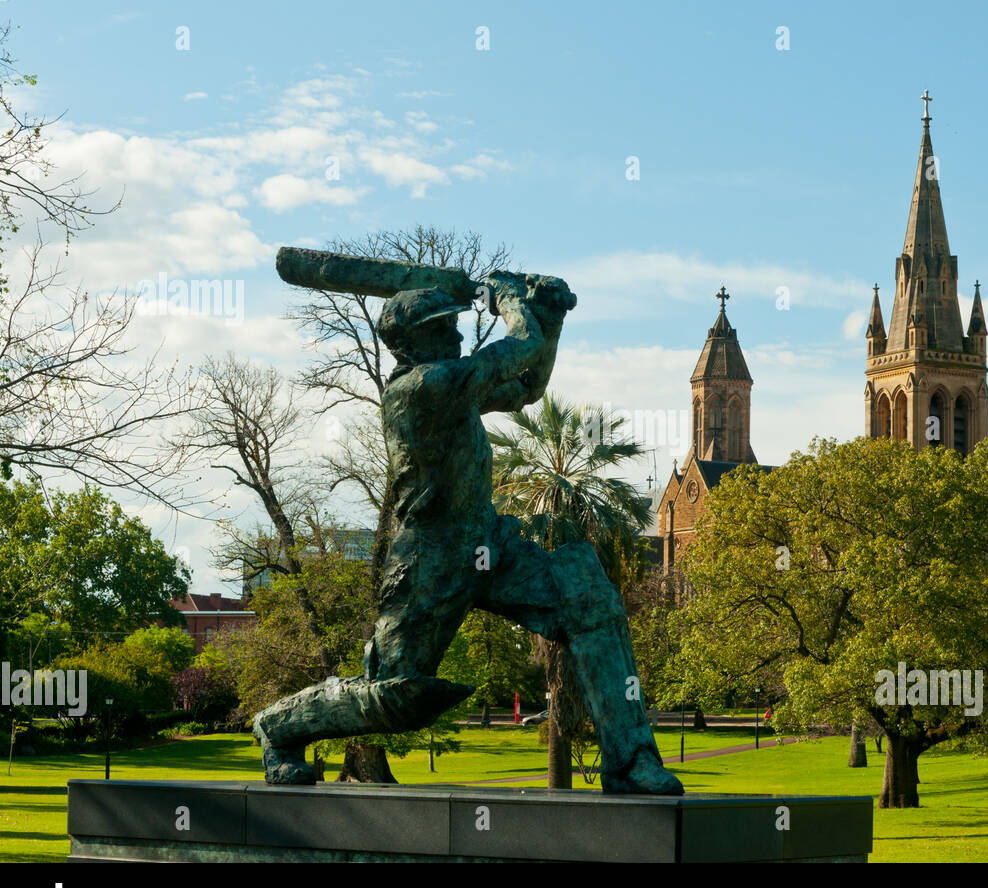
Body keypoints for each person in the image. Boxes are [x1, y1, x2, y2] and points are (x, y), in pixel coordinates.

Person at [253, 268, 682, 796]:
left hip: (488, 541)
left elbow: (528, 384)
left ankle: (631, 761)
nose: (456, 337)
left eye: (454, 326)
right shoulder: (421, 389)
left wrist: (551, 316)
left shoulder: (455, 385)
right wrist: (510, 302)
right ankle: (278, 727)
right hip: (431, 558)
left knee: (587, 596)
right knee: (397, 696)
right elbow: (518, 346)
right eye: (441, 330)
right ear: (408, 346)